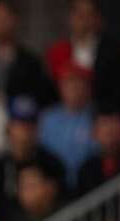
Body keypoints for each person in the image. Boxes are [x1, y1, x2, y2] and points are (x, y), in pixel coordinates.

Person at [38, 63, 99, 192]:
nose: (73, 87)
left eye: (78, 82)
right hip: (53, 188)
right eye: (67, 82)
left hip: (88, 186)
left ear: (88, 87)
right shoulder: (48, 118)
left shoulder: (96, 117)